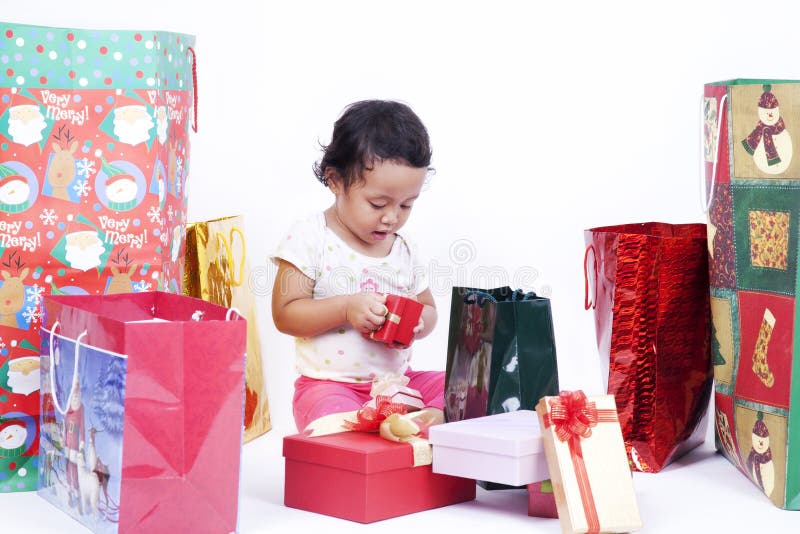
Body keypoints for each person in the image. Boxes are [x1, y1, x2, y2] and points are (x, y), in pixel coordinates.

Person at [272, 100, 445, 433]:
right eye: (378, 203)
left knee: (463, 389)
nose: (392, 217)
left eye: (407, 205)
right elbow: (285, 314)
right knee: (333, 420)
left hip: (397, 385)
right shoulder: (310, 236)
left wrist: (417, 321)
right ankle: (390, 430)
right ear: (335, 180)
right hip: (329, 387)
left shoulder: (404, 249)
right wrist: (346, 308)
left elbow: (429, 311)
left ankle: (407, 423)